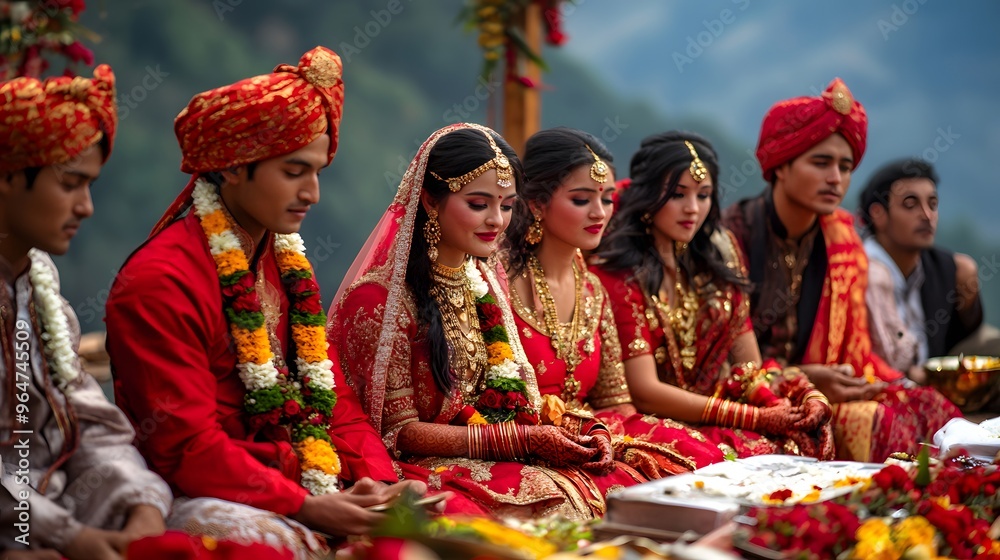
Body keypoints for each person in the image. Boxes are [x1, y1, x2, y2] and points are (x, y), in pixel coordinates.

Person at [104, 47, 421, 557]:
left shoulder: (282, 260)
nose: (313, 193)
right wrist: (307, 504)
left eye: (317, 172)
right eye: (294, 171)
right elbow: (185, 449)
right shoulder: (160, 282)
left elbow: (334, 400)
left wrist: (379, 482)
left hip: (304, 479)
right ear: (231, 168)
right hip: (201, 493)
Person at [329, 123, 646, 522]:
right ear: (430, 201)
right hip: (416, 467)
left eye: (507, 205)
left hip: (491, 448)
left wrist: (587, 429)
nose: (496, 220)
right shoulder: (379, 300)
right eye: (479, 204)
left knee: (627, 487)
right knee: (553, 510)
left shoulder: (484, 282)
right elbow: (398, 432)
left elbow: (516, 401)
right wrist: (521, 439)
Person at [722, 78, 960, 462]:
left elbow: (856, 350)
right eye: (821, 163)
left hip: (824, 386)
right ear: (781, 166)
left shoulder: (841, 241)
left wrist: (858, 379)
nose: (836, 178)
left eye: (845, 167)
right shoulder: (734, 237)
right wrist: (804, 378)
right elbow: (725, 363)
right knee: (880, 422)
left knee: (928, 405)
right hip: (757, 396)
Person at [0, 67, 172, 558]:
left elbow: (88, 421)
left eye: (90, 185)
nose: (87, 207)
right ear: (9, 176)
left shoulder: (39, 283)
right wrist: (68, 537)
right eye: (71, 183)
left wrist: (142, 505)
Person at [591, 131, 835, 461]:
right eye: (678, 195)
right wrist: (753, 417)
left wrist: (796, 397)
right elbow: (645, 391)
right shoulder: (617, 273)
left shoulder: (717, 261)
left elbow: (750, 366)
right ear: (648, 197)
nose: (693, 209)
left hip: (714, 415)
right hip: (654, 421)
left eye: (704, 195)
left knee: (799, 437)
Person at [504, 127, 731, 478]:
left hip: (592, 436)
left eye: (607, 199)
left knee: (698, 462)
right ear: (537, 204)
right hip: (520, 445)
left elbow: (615, 401)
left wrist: (623, 444)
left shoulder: (593, 290)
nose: (599, 213)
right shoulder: (499, 283)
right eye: (581, 200)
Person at [858, 158, 991, 377]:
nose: (927, 216)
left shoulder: (949, 270)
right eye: (910, 204)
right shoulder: (858, 270)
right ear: (878, 214)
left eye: (932, 204)